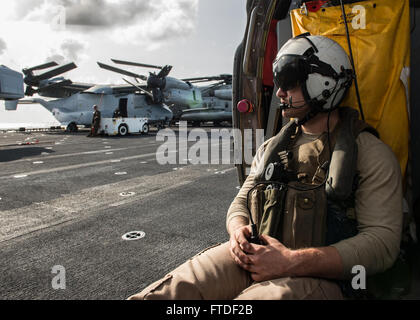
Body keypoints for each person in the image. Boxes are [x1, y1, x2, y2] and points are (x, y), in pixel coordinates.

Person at [128, 35, 403, 300]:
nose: (280, 92)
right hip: (258, 256)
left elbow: (382, 245)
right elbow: (241, 202)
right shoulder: (272, 148)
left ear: (324, 83)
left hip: (326, 277)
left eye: (288, 81)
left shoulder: (368, 153)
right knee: (173, 290)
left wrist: (290, 262)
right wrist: (238, 233)